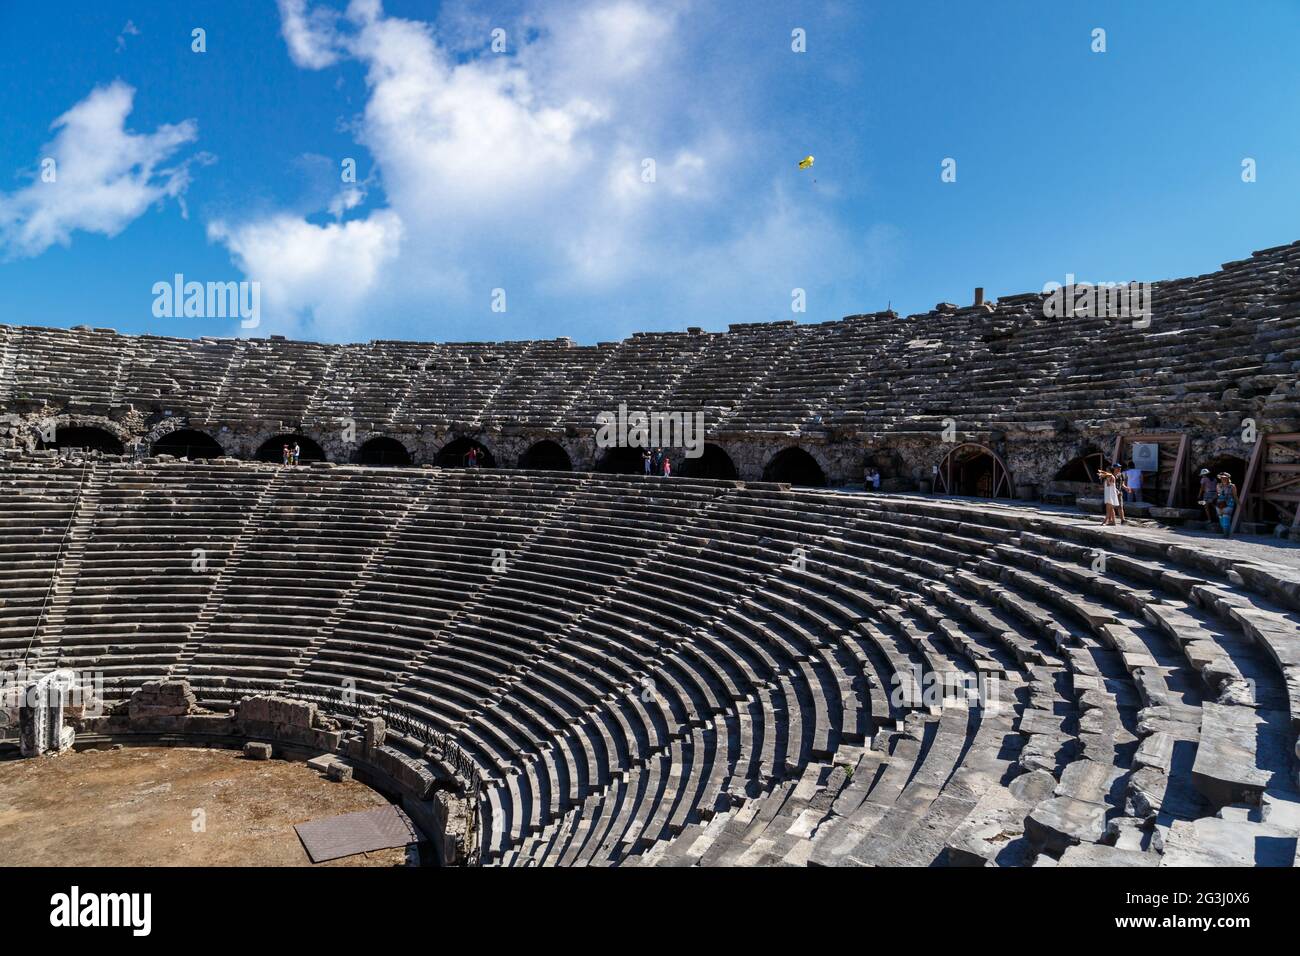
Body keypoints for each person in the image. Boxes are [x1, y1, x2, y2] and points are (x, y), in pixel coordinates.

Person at [1215, 472, 1238, 537]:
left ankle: (1226, 534)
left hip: (1229, 503)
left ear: (1228, 478)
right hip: (1219, 503)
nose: (1223, 479)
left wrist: (1238, 503)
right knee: (1221, 518)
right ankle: (1226, 532)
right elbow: (1218, 494)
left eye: (1225, 478)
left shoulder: (1232, 486)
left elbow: (1235, 495)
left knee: (1226, 518)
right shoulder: (1218, 485)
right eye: (1222, 478)